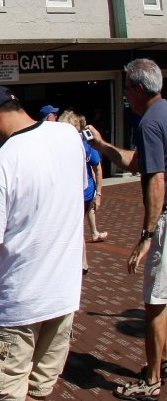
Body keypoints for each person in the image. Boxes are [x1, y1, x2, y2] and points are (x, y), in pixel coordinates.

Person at [0, 86, 84, 401]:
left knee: (4, 393)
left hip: (19, 305)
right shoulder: (69, 136)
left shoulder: (0, 164)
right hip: (63, 298)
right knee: (39, 391)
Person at [85, 58, 166, 400]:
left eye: (127, 88)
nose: (126, 96)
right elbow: (136, 161)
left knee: (155, 301)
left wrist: (146, 236)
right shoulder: (161, 114)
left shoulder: (148, 122)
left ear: (137, 89)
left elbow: (156, 179)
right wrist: (102, 146)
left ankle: (152, 379)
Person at [58, 110, 106, 274]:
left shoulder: (85, 144)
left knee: (74, 228)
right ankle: (80, 264)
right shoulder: (58, 146)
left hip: (83, 193)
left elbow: (97, 168)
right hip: (67, 193)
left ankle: (81, 265)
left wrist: (98, 194)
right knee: (72, 227)